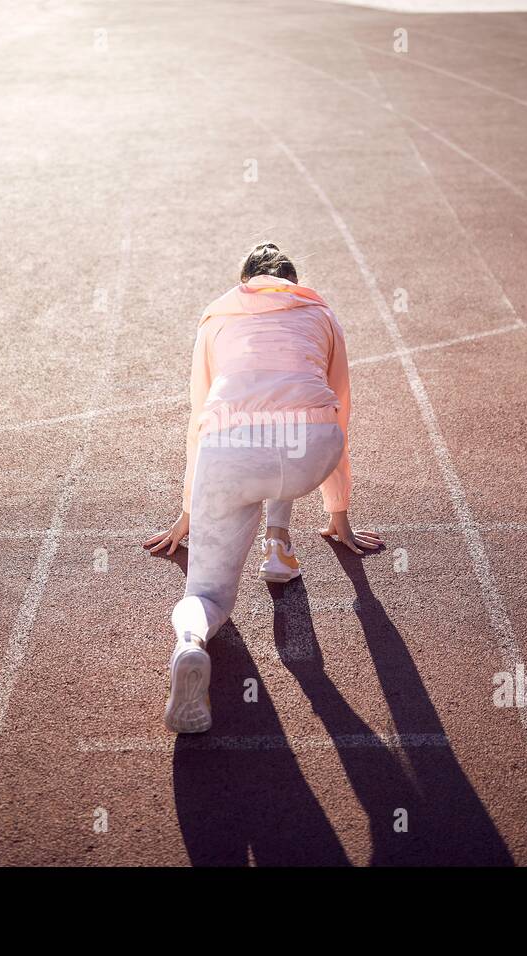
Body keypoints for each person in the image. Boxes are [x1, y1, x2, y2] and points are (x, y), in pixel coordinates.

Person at [144, 243, 382, 734]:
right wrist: (338, 511)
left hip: (230, 451)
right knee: (290, 418)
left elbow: (199, 417)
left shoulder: (216, 319)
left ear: (243, 281)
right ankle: (277, 543)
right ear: (294, 282)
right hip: (310, 451)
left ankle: (190, 643)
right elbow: (340, 407)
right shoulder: (321, 314)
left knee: (207, 594)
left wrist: (192, 506)